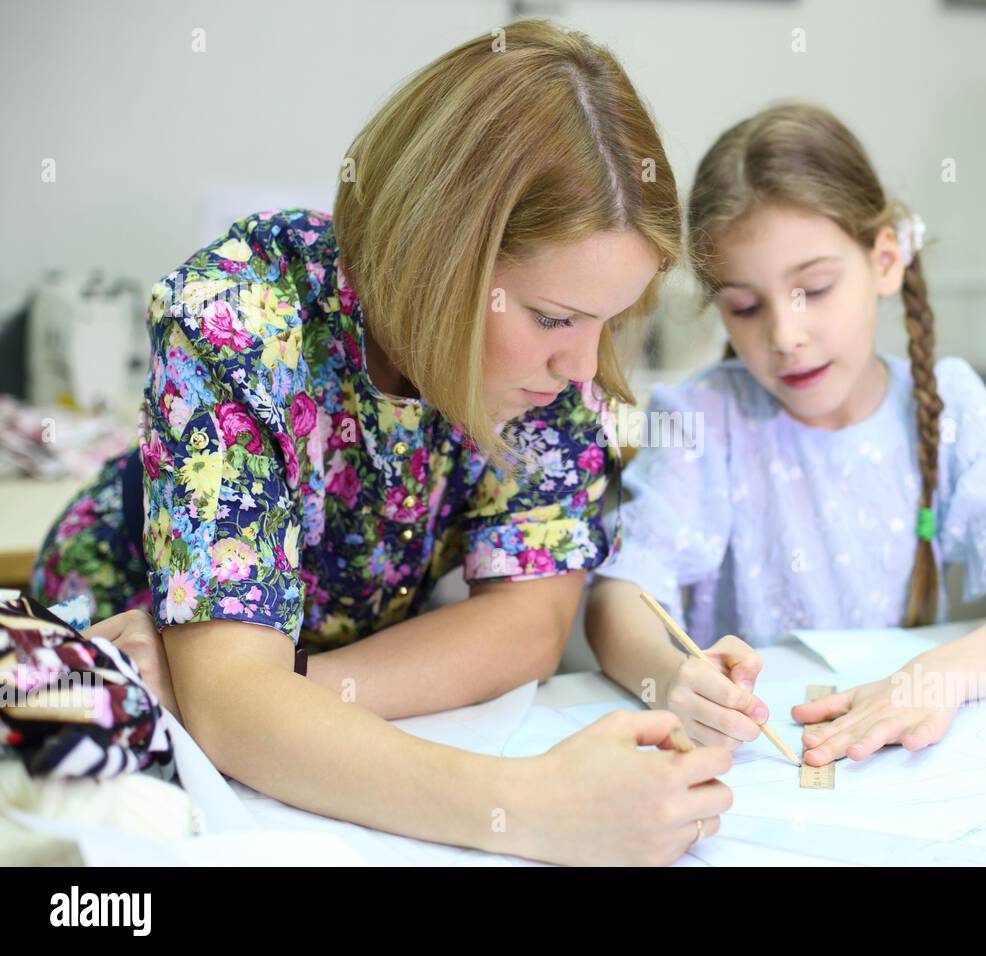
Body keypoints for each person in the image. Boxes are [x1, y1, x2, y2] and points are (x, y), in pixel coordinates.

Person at [29, 19, 730, 867]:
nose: (581, 363)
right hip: (116, 675)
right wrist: (531, 806)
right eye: (552, 318)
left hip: (284, 684)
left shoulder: (552, 368)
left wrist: (278, 699)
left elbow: (527, 625)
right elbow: (226, 710)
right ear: (442, 258)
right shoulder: (245, 315)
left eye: (604, 323)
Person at [587, 102, 986, 768]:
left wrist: (931, 681)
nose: (784, 336)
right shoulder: (703, 418)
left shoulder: (952, 401)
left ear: (884, 261)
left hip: (901, 758)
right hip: (765, 760)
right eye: (744, 305)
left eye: (814, 289)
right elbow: (619, 601)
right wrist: (673, 678)